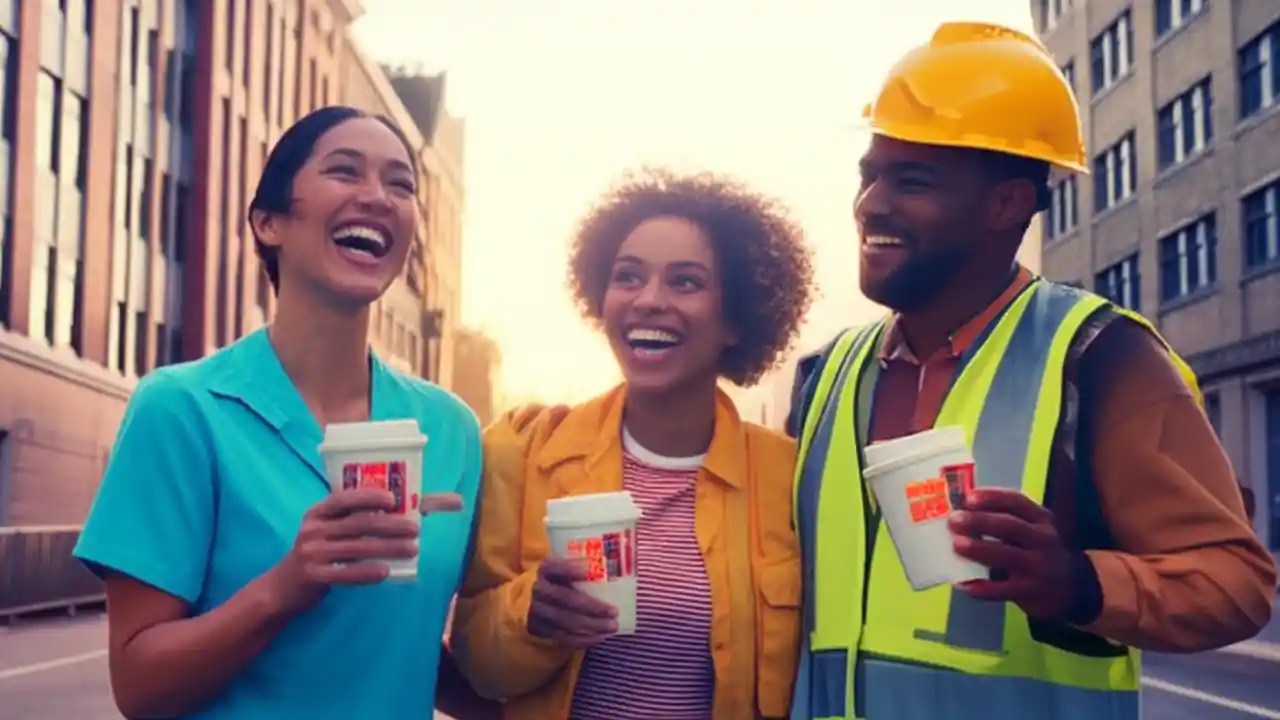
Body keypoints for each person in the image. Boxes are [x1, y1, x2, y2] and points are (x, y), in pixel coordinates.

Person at [785, 22, 1278, 720]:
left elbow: (1235, 584)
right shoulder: (825, 377)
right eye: (870, 175)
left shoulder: (1102, 358)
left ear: (1007, 205)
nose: (872, 204)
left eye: (912, 180)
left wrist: (1078, 584)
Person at [72, 106, 482, 719]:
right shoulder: (183, 409)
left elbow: (415, 654)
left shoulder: (450, 430)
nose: (378, 196)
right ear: (269, 223)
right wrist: (285, 587)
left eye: (401, 184)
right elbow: (138, 689)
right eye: (346, 171)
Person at [449, 168, 816, 719]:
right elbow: (476, 662)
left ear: (736, 321)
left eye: (685, 282)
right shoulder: (522, 450)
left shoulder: (791, 475)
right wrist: (533, 617)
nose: (648, 300)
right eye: (627, 277)